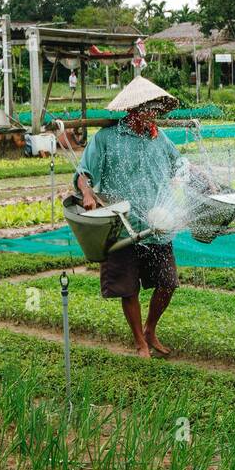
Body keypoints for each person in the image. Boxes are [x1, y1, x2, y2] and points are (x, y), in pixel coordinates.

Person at [73, 76, 182, 358]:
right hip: (122, 227)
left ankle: (150, 329)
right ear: (135, 109)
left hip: (157, 226)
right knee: (128, 287)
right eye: (151, 109)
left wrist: (201, 178)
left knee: (168, 282)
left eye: (158, 110)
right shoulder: (106, 139)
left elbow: (180, 165)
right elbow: (83, 173)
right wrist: (87, 193)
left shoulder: (159, 139)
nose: (155, 115)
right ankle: (139, 341)